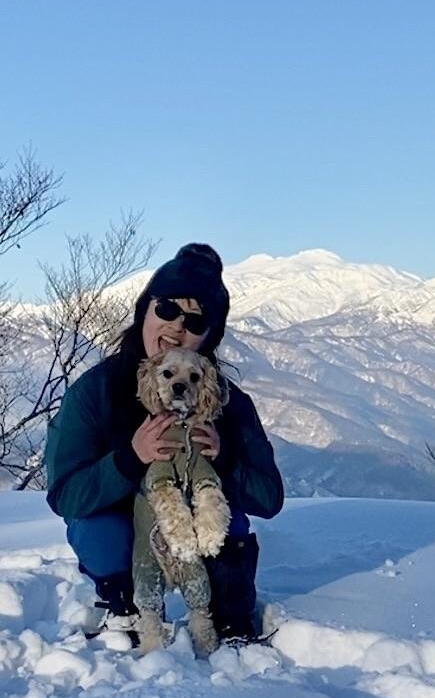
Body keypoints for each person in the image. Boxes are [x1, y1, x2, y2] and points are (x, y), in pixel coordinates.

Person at [45, 243, 284, 644]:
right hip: (126, 530)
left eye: (195, 321)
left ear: (209, 335)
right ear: (146, 310)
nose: (177, 327)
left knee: (228, 517)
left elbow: (269, 498)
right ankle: (123, 602)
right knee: (95, 528)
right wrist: (128, 460)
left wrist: (222, 459)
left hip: (197, 527)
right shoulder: (95, 392)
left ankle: (226, 602)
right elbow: (66, 495)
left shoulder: (229, 403)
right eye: (168, 310)